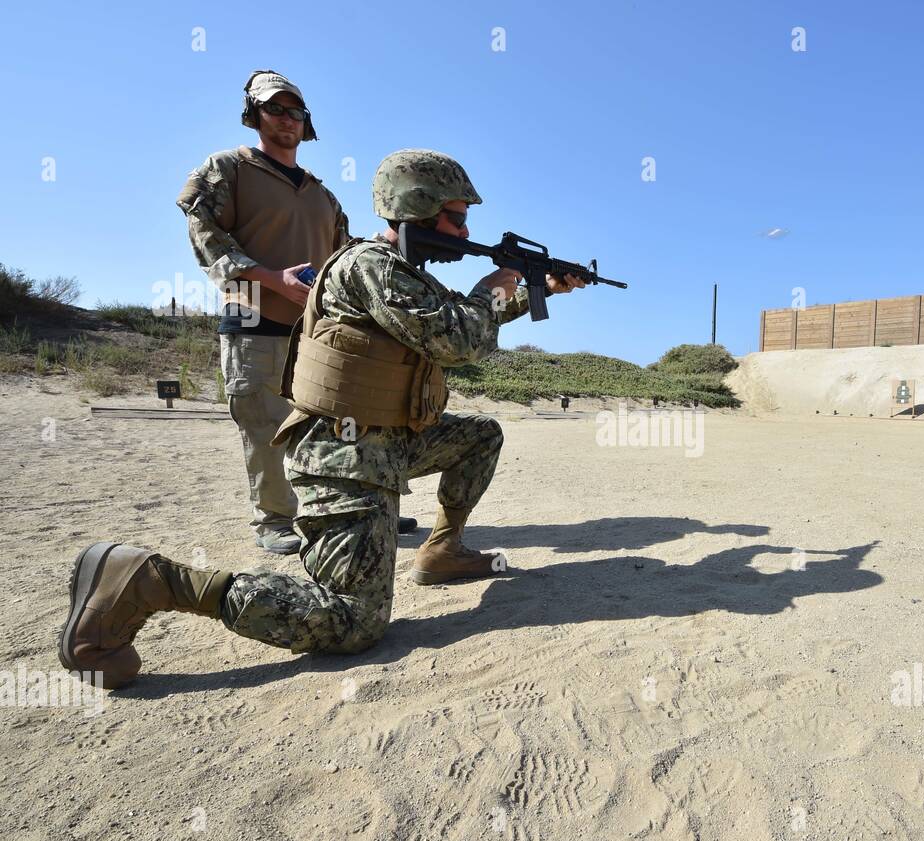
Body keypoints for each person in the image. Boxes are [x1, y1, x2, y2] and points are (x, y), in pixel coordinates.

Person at [60, 149, 586, 689]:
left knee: (479, 436)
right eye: (457, 217)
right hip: (344, 456)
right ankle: (152, 581)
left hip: (389, 441)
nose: (466, 229)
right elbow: (458, 338)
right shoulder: (371, 267)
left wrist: (531, 292)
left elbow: (449, 318)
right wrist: (496, 284)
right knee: (353, 621)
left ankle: (443, 551)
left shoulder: (403, 274)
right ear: (419, 209)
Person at [177, 70, 419, 554]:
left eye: (295, 112)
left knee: (336, 426)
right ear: (254, 114)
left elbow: (347, 257)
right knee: (266, 424)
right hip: (255, 324)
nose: (286, 119)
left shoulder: (322, 194)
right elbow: (204, 233)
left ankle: (350, 509)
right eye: (275, 109)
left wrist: (398, 240)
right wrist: (273, 279)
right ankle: (274, 522)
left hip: (319, 333)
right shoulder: (228, 169)